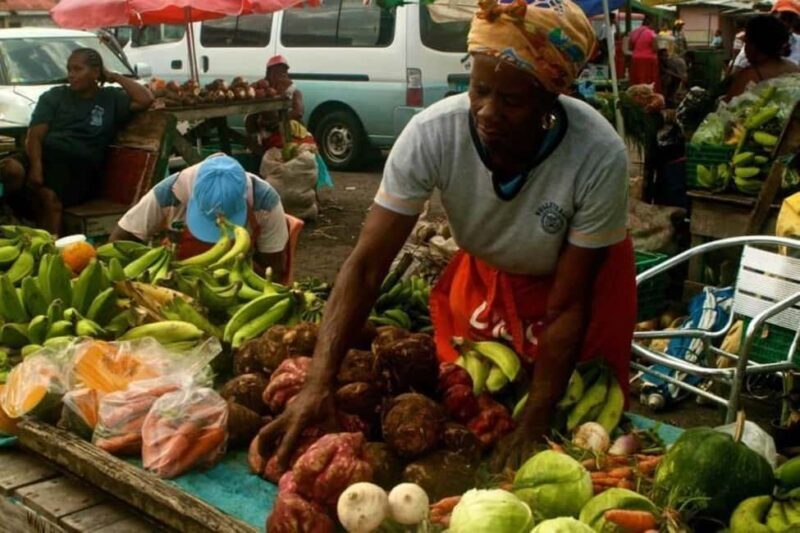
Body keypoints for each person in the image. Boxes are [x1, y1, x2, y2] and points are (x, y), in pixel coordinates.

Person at [257, 0, 636, 472]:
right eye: (480, 90)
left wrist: (535, 422)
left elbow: (566, 307)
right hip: (491, 275)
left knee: (577, 430)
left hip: (582, 289)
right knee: (483, 404)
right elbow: (367, 265)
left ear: (551, 97)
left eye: (512, 100)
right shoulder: (433, 133)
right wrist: (318, 381)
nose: (487, 112)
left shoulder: (597, 154)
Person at [0, 48, 153, 234]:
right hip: (43, 157)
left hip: (77, 169)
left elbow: (145, 99)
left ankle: (49, 248)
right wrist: (36, 168)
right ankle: (8, 216)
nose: (71, 75)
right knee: (9, 168)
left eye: (77, 69)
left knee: (48, 198)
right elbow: (34, 136)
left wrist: (113, 76)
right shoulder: (54, 96)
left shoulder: (110, 99)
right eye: (69, 69)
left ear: (96, 72)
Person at [110, 154, 289, 280]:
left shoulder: (265, 202)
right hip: (175, 286)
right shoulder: (169, 194)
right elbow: (119, 240)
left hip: (238, 287)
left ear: (245, 197)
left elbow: (274, 272)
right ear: (192, 193)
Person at [725, 15, 800, 101]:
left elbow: (725, 109)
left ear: (752, 45)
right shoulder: (794, 68)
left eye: (746, 42)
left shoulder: (748, 77)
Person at [731, 0, 800, 73]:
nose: (786, 24)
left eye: (791, 20)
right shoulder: (757, 43)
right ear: (772, 17)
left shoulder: (798, 42)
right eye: (783, 18)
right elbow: (738, 73)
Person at [266, 55, 304, 122]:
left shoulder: (294, 92)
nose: (281, 75)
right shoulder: (263, 90)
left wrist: (277, 120)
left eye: (284, 71)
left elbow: (298, 112)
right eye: (277, 71)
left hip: (287, 128)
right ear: (269, 74)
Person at [630, 16, 661, 92]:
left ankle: (636, 95)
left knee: (637, 79)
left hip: (636, 58)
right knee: (648, 80)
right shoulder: (651, 33)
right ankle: (648, 96)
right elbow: (655, 48)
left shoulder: (634, 32)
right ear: (651, 24)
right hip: (648, 60)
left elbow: (630, 46)